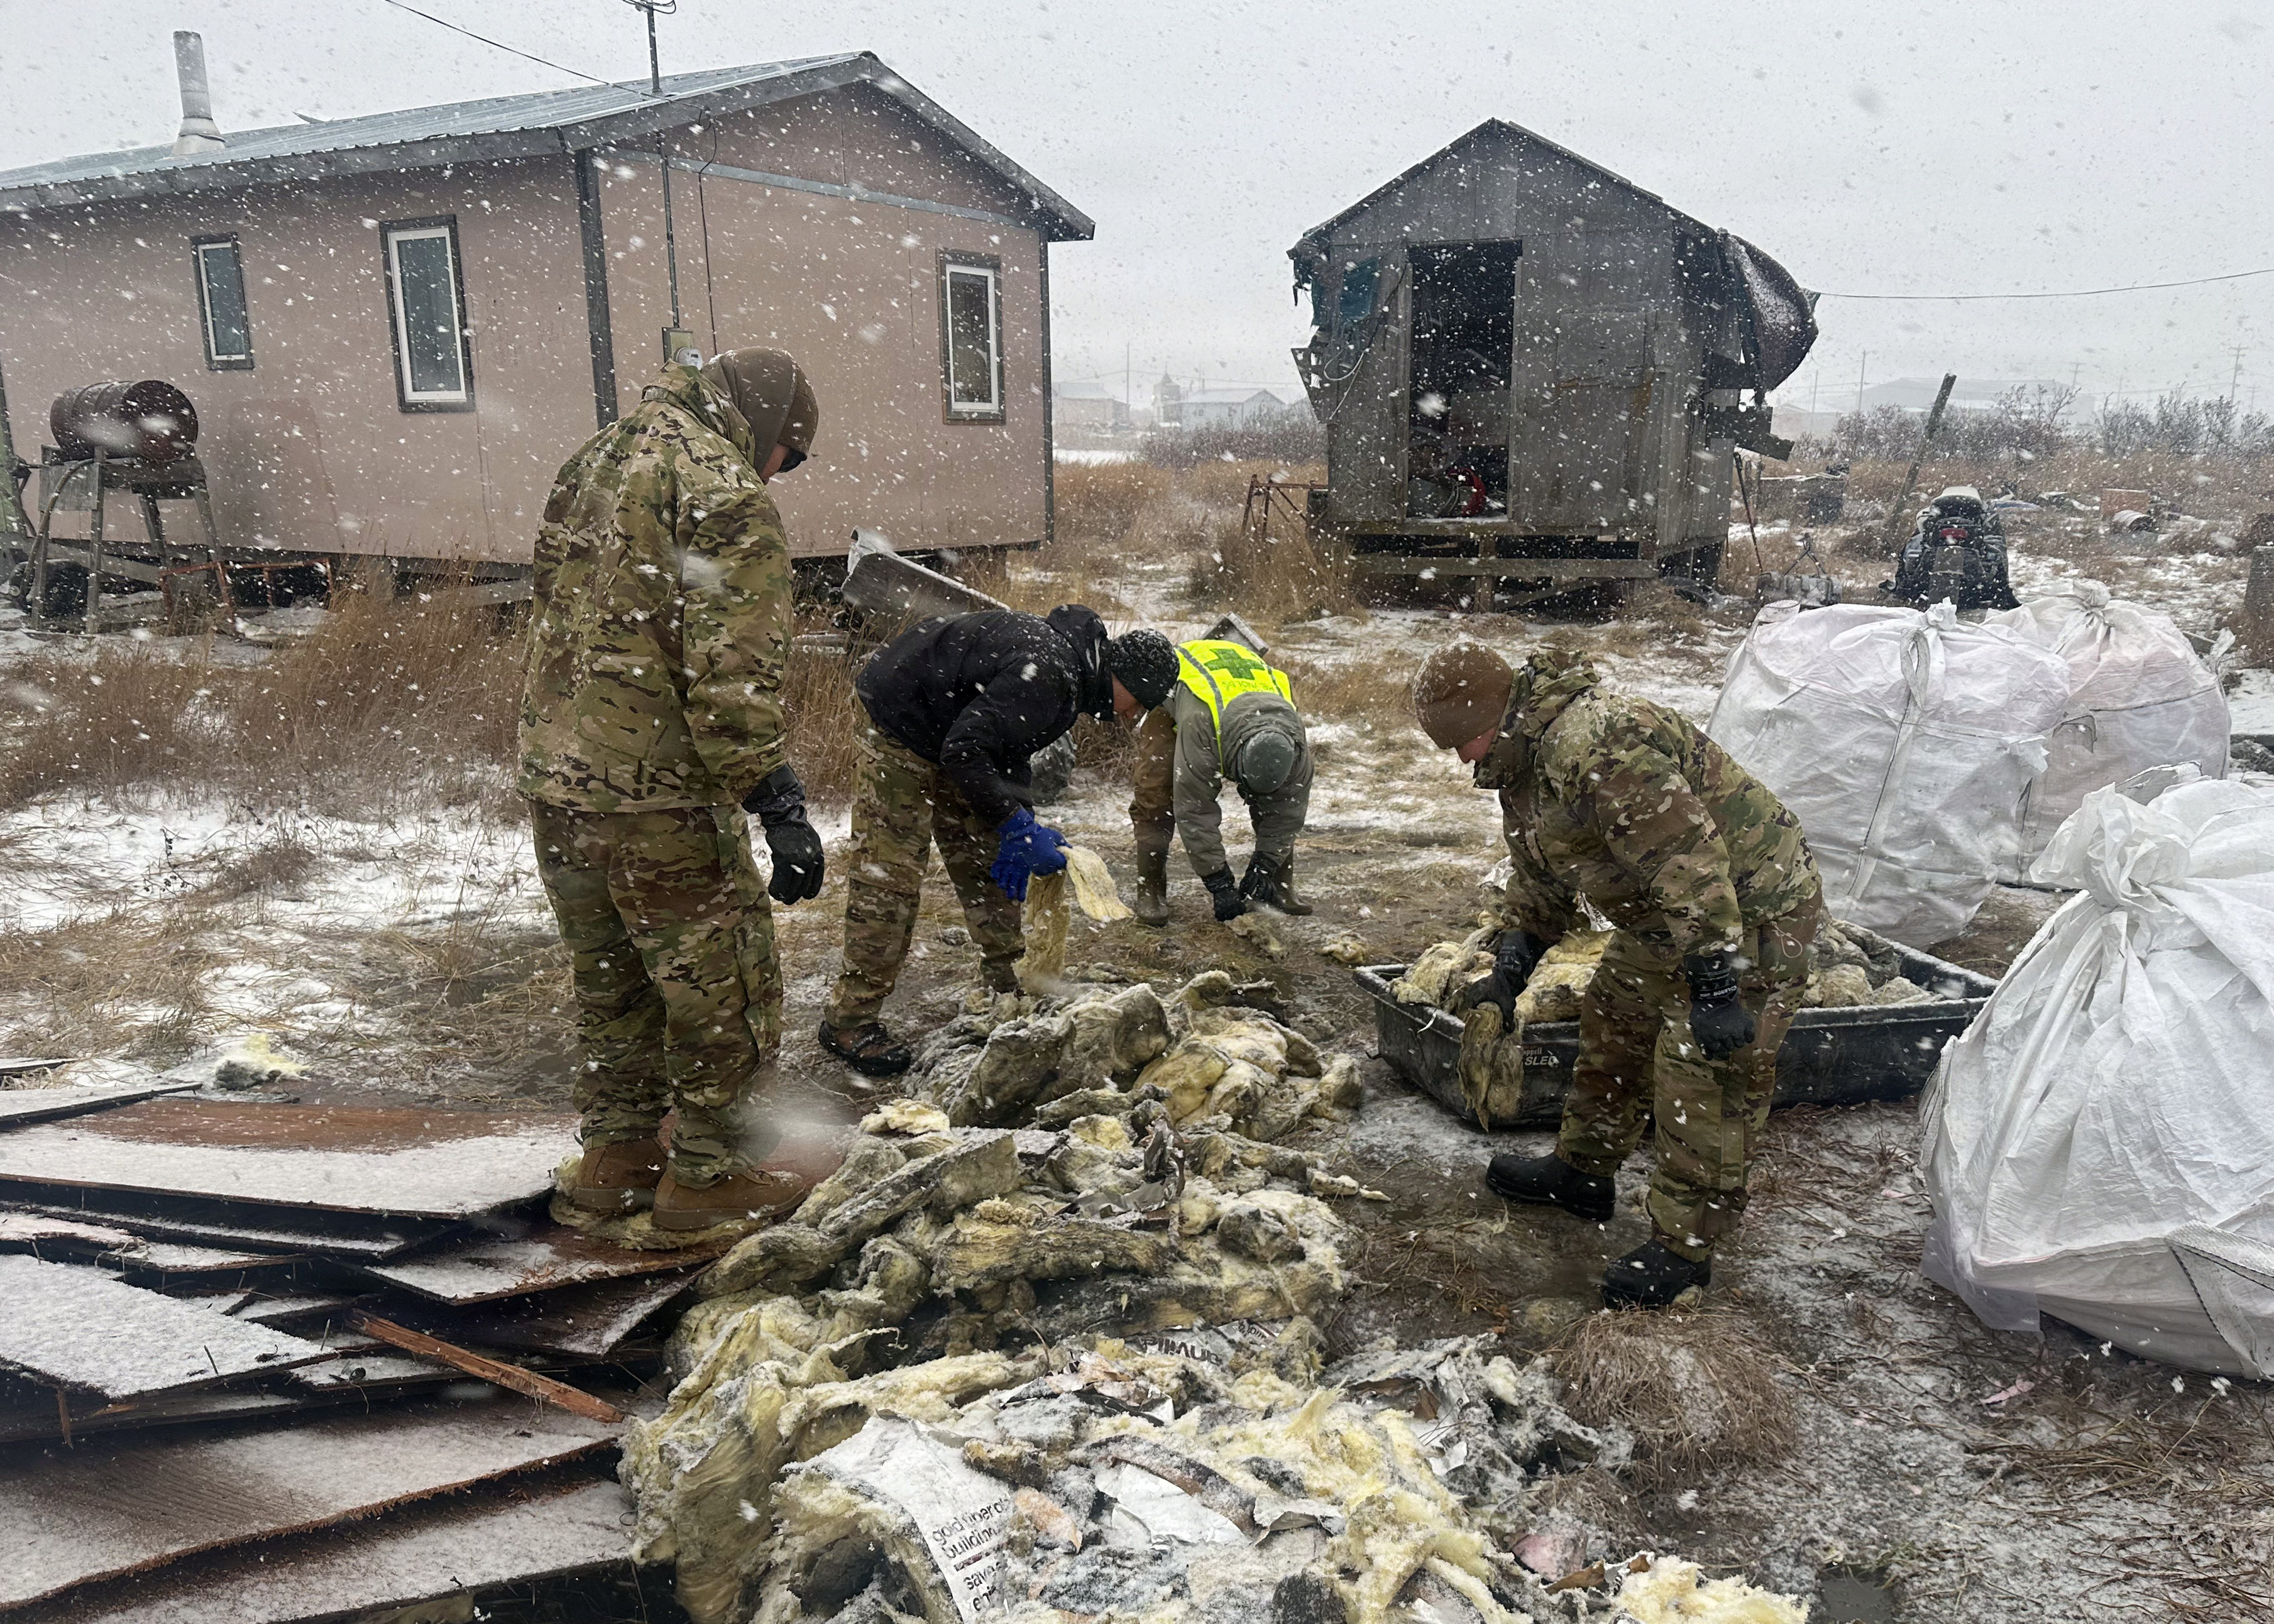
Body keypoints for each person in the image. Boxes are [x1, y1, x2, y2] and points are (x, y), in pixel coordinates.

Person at [1412, 640, 1824, 1308]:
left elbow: (1690, 863)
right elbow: (1542, 878)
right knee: (1616, 1018)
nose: (1462, 758)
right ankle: (1582, 1172)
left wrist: (1718, 983)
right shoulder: (1521, 765)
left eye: (1466, 739)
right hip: (1668, 915)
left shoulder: (1598, 745)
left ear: (1500, 711)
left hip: (1750, 911)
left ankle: (1686, 1247)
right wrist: (1512, 964)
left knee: (1705, 1068)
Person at [519, 348, 828, 1232]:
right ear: (768, 431)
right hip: (654, 791)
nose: (778, 476)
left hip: (559, 780)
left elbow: (557, 608)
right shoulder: (723, 491)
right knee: (719, 984)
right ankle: (706, 1175)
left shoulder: (598, 458)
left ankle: (616, 1159)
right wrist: (777, 800)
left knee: (612, 979)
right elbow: (729, 677)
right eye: (788, 458)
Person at [818, 610, 1179, 1075]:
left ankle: (1011, 983)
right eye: (1139, 701)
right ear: (1121, 677)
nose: (1132, 715)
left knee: (990, 860)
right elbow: (965, 750)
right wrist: (1015, 826)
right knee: (890, 882)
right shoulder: (1051, 675)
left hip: (953, 732)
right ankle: (850, 1020)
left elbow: (1007, 751)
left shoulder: (1070, 679)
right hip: (902, 724)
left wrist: (1020, 822)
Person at [1128, 636, 1314, 926]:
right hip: (1185, 691)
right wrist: (1218, 881)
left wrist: (1265, 864)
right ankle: (1150, 889)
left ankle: (1278, 885)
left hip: (1249, 693)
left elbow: (1289, 809)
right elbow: (1194, 807)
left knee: (1277, 802)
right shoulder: (1202, 726)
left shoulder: (1294, 740)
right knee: (1157, 793)